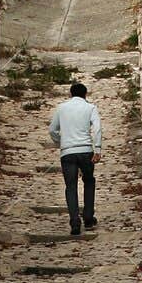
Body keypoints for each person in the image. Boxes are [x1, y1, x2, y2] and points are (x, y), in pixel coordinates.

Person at [48, 81, 102, 237]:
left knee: (70, 186)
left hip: (68, 153)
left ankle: (74, 221)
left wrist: (61, 142)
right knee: (89, 181)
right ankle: (88, 217)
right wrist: (97, 149)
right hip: (86, 151)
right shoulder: (91, 108)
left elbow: (52, 130)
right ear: (85, 95)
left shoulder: (61, 108)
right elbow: (97, 129)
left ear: (70, 94)